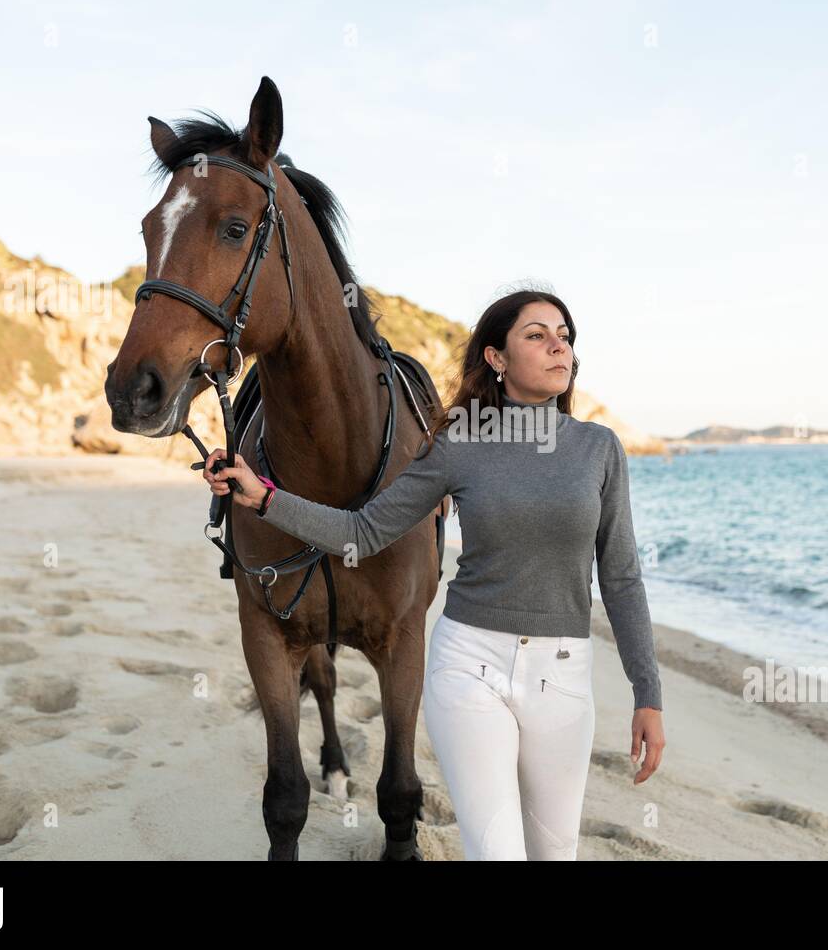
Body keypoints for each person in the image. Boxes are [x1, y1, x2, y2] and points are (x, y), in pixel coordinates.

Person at [205, 288, 664, 860]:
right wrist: (264, 497)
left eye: (565, 336)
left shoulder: (599, 449)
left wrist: (648, 694)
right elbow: (362, 532)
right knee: (497, 853)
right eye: (537, 335)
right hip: (470, 665)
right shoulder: (457, 445)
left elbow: (620, 577)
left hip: (563, 675)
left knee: (555, 854)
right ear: (496, 358)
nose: (558, 347)